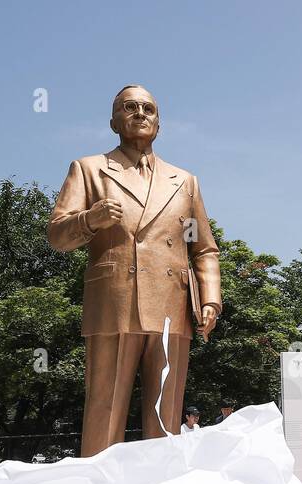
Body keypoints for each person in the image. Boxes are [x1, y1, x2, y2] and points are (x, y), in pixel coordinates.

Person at [48, 84, 222, 454]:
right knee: (105, 409)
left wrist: (210, 300)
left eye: (148, 108)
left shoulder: (185, 181)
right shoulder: (89, 169)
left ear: (159, 123)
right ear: (114, 121)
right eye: (130, 107)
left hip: (172, 306)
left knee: (166, 414)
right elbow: (58, 236)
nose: (140, 113)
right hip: (114, 303)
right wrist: (89, 219)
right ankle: (97, 483)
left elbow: (203, 248)